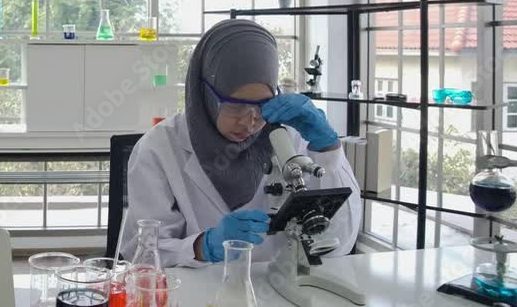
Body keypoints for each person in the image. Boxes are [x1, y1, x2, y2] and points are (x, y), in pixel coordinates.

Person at [120, 20, 361, 267]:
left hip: (277, 287)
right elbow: (142, 253)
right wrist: (202, 246)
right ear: (205, 93)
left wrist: (329, 150)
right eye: (236, 105)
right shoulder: (159, 148)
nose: (250, 121)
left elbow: (340, 243)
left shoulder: (291, 138)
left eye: (262, 104)